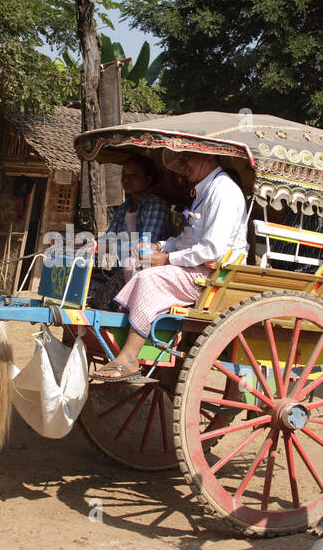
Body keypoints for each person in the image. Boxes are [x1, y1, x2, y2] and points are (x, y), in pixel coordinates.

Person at [92, 151, 248, 380]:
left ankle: (130, 357)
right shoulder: (204, 191)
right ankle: (142, 328)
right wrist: (162, 246)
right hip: (195, 267)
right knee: (132, 262)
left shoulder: (224, 191)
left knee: (148, 279)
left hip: (213, 273)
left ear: (208, 158)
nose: (184, 165)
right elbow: (188, 239)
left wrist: (166, 259)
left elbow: (212, 249)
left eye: (188, 158)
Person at [88, 154, 174, 310]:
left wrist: (103, 247)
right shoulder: (124, 208)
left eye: (134, 175)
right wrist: (90, 243)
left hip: (147, 269)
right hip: (121, 268)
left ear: (148, 179)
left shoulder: (156, 206)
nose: (126, 180)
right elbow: (110, 237)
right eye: (124, 175)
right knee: (84, 282)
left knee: (102, 297)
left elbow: (145, 246)